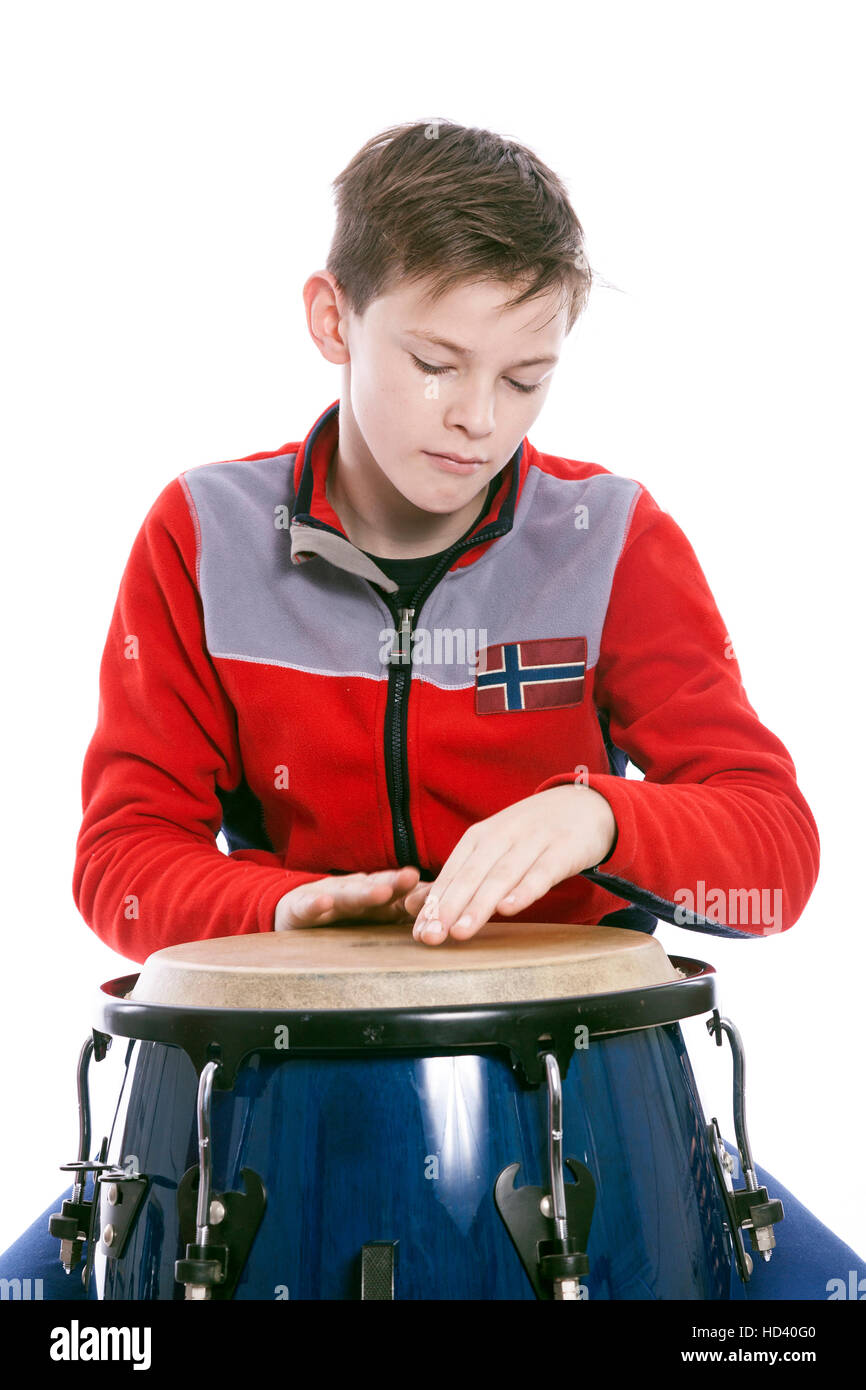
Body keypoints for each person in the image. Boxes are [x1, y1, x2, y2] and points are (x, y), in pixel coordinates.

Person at [2, 119, 860, 1300]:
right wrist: (284, 906)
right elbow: (118, 862)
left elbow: (775, 863)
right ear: (330, 319)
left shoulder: (614, 540)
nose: (477, 418)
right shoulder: (197, 536)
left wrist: (603, 820)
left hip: (584, 1116)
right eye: (434, 362)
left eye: (524, 378)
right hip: (252, 1107)